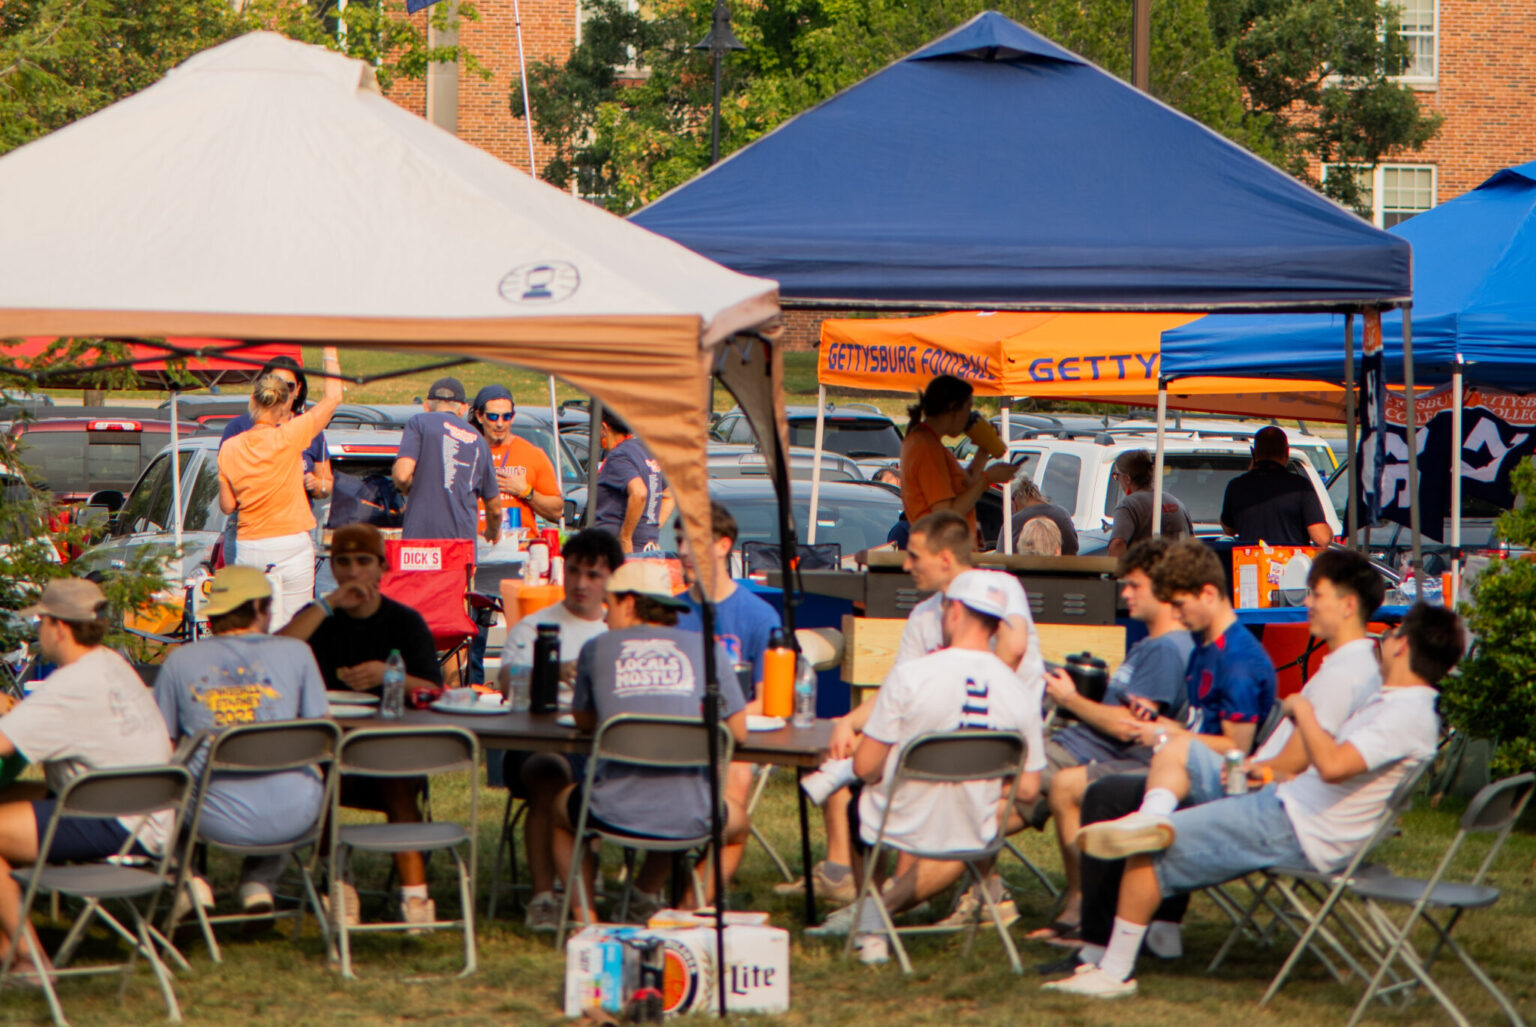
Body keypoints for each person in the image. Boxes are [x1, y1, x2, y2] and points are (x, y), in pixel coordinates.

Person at [1048, 602, 1460, 999]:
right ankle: (1146, 826)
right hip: (1285, 807)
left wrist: (1304, 712)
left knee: (1149, 847)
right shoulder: (1399, 704)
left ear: (1403, 645)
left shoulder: (1403, 715)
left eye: (1390, 636)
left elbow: (1333, 766)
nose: (1384, 642)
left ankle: (1114, 972)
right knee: (1175, 765)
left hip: (1295, 826)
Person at [1053, 546, 1385, 967]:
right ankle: (1151, 930)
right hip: (1254, 787)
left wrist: (1182, 743)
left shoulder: (1326, 673)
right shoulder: (1340, 666)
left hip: (1260, 794)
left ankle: (1097, 948)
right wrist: (1170, 732)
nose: (1305, 603)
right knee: (1122, 790)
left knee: (1107, 797)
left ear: (1348, 604)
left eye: (1315, 594)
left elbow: (1265, 757)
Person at [801, 511, 1043, 931]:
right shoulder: (925, 616)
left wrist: (964, 691)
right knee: (853, 770)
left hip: (1004, 746)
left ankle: (875, 915)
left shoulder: (998, 588)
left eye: (914, 556)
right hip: (946, 749)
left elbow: (1014, 647)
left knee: (885, 780)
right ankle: (887, 895)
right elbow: (897, 687)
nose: (906, 564)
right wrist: (848, 721)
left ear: (946, 559)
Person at [845, 569, 1048, 965]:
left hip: (903, 823)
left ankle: (871, 927)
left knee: (854, 797)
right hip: (975, 827)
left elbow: (865, 765)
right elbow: (1027, 792)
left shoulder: (911, 677)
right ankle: (883, 917)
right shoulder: (1019, 694)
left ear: (953, 612)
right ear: (995, 625)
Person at [552, 560, 748, 923]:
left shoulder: (597, 648)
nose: (605, 618)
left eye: (608, 606)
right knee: (738, 828)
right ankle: (687, 913)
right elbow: (737, 731)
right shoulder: (709, 649)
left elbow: (584, 720)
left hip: (609, 808)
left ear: (629, 604)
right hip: (694, 811)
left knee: (560, 812)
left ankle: (586, 921)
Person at [0, 579, 174, 979]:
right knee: (6, 797)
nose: (37, 629)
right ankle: (9, 948)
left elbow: (6, 743)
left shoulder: (69, 685)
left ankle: (27, 958)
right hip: (147, 810)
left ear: (59, 627)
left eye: (41, 620)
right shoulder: (110, 663)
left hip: (119, 823)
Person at [1025, 539, 1193, 940]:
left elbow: (1128, 726)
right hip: (1077, 750)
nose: (1125, 592)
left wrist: (1072, 699)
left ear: (1164, 587)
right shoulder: (1151, 645)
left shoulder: (1166, 650)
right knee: (995, 799)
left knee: (990, 786)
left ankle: (1081, 907)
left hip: (1101, 760)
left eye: (1134, 585)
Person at [277, 522, 443, 926]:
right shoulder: (319, 619)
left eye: (363, 562)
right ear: (331, 568)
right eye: (344, 563)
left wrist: (389, 677)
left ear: (382, 568)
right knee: (318, 778)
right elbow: (276, 654)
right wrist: (328, 603)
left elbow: (435, 689)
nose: (353, 572)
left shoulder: (404, 622)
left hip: (388, 749)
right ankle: (339, 884)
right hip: (329, 751)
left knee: (397, 778)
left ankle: (416, 897)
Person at [153, 566, 328, 915]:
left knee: (166, 781)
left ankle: (189, 878)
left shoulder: (180, 661)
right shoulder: (298, 654)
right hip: (298, 812)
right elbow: (321, 734)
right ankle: (259, 883)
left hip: (210, 813)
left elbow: (161, 743)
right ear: (262, 609)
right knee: (294, 769)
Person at [498, 528, 623, 932]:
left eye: (593, 575)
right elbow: (506, 681)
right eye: (573, 572)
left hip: (603, 747)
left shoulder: (617, 631)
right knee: (548, 773)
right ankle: (544, 896)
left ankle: (594, 878)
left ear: (612, 581)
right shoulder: (534, 627)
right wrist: (556, 673)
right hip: (538, 740)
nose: (582, 583)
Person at [675, 502, 783, 890]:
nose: (684, 551)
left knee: (734, 773)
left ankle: (694, 900)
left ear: (723, 545)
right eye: (679, 541)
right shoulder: (668, 612)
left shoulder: (758, 616)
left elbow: (770, 697)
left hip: (730, 737)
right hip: (672, 736)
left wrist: (720, 722)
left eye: (694, 541)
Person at [217, 346, 344, 629]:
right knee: (296, 626)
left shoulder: (230, 446)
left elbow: (227, 506)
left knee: (251, 624)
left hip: (249, 543)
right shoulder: (291, 435)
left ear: (253, 399)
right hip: (291, 541)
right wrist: (329, 350)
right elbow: (333, 398)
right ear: (284, 403)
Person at [466, 383, 561, 684]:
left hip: (520, 559)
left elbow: (557, 509)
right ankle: (476, 690)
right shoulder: (468, 451)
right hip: (476, 555)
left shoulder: (531, 454)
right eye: (493, 416)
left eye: (507, 416)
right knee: (473, 638)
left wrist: (527, 492)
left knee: (523, 634)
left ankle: (526, 690)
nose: (500, 423)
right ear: (479, 416)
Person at [219, 354, 334, 566]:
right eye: (274, 384)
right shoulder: (239, 429)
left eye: (288, 386)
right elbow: (333, 399)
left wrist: (317, 485)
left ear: (298, 389)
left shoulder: (303, 429)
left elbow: (326, 484)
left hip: (281, 531)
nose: (281, 391)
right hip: (259, 530)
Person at [899, 375, 1015, 539]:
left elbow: (964, 485)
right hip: (942, 554)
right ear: (953, 408)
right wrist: (987, 479)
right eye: (968, 408)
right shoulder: (926, 448)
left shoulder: (928, 442)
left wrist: (983, 450)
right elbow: (946, 515)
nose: (968, 418)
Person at [392, 376, 501, 544]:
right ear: (463, 408)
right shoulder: (479, 441)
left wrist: (410, 490)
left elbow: (402, 475)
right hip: (461, 545)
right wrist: (492, 532)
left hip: (418, 543)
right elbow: (494, 510)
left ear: (427, 405)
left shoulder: (418, 423)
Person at [1220, 425, 1332, 546]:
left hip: (1249, 563)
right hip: (1290, 563)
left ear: (1253, 452)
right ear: (1287, 452)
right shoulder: (1300, 486)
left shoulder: (1236, 486)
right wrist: (1328, 531)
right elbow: (1322, 538)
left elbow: (1229, 530)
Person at [591, 408, 671, 554]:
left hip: (618, 551)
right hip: (648, 548)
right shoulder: (644, 449)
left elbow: (639, 492)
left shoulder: (618, 456)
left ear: (603, 428)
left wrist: (626, 537)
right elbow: (670, 493)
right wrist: (650, 527)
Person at [1105, 450, 1193, 559]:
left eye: (1117, 476)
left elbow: (1118, 543)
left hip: (1144, 572)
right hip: (1176, 572)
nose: (1117, 480)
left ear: (1127, 478)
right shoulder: (1178, 503)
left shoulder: (1128, 506)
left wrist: (1114, 573)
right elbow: (1191, 543)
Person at [1006, 475, 1079, 556]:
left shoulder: (1012, 524)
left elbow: (1002, 559)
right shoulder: (1063, 515)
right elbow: (1073, 550)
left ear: (1013, 504)